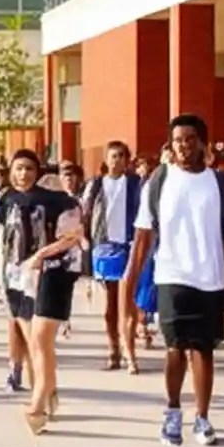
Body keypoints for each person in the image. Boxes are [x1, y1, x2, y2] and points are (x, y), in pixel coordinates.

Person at [122, 114, 224, 447]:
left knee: (204, 349)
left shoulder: (221, 184)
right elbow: (143, 236)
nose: (184, 146)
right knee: (175, 347)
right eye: (178, 140)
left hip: (210, 277)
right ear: (170, 145)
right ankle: (173, 411)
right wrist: (130, 282)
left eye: (190, 139)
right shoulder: (159, 181)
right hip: (171, 276)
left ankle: (202, 418)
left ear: (203, 143)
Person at [0, 149, 85, 434]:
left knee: (40, 341)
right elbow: (2, 241)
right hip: (18, 278)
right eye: (18, 168)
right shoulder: (5, 200)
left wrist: (42, 256)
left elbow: (75, 237)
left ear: (38, 171)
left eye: (29, 168)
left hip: (52, 275)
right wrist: (1, 277)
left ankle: (37, 406)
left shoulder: (57, 200)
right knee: (33, 343)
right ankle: (46, 393)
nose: (23, 174)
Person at [80, 141, 143, 373]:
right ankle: (113, 349)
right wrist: (84, 240)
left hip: (129, 244)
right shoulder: (96, 185)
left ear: (127, 160)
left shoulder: (136, 184)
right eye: (112, 156)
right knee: (111, 303)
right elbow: (84, 213)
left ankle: (130, 352)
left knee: (128, 302)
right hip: (104, 246)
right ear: (106, 160)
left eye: (121, 156)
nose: (116, 160)